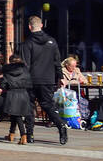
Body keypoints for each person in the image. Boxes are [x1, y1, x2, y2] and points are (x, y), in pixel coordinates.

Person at [19, 16, 68, 145]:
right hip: (48, 79)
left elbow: (25, 65)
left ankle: (30, 135)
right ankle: (61, 125)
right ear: (41, 25)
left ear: (30, 27)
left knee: (30, 107)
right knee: (48, 105)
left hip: (31, 80)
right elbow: (57, 61)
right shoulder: (51, 42)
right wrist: (60, 77)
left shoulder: (27, 43)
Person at [0, 52, 34, 144]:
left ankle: (23, 136)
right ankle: (11, 134)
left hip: (12, 93)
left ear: (10, 61)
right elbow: (29, 83)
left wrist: (5, 86)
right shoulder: (25, 70)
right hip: (23, 93)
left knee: (17, 115)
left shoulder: (7, 71)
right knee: (15, 115)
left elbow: (3, 84)